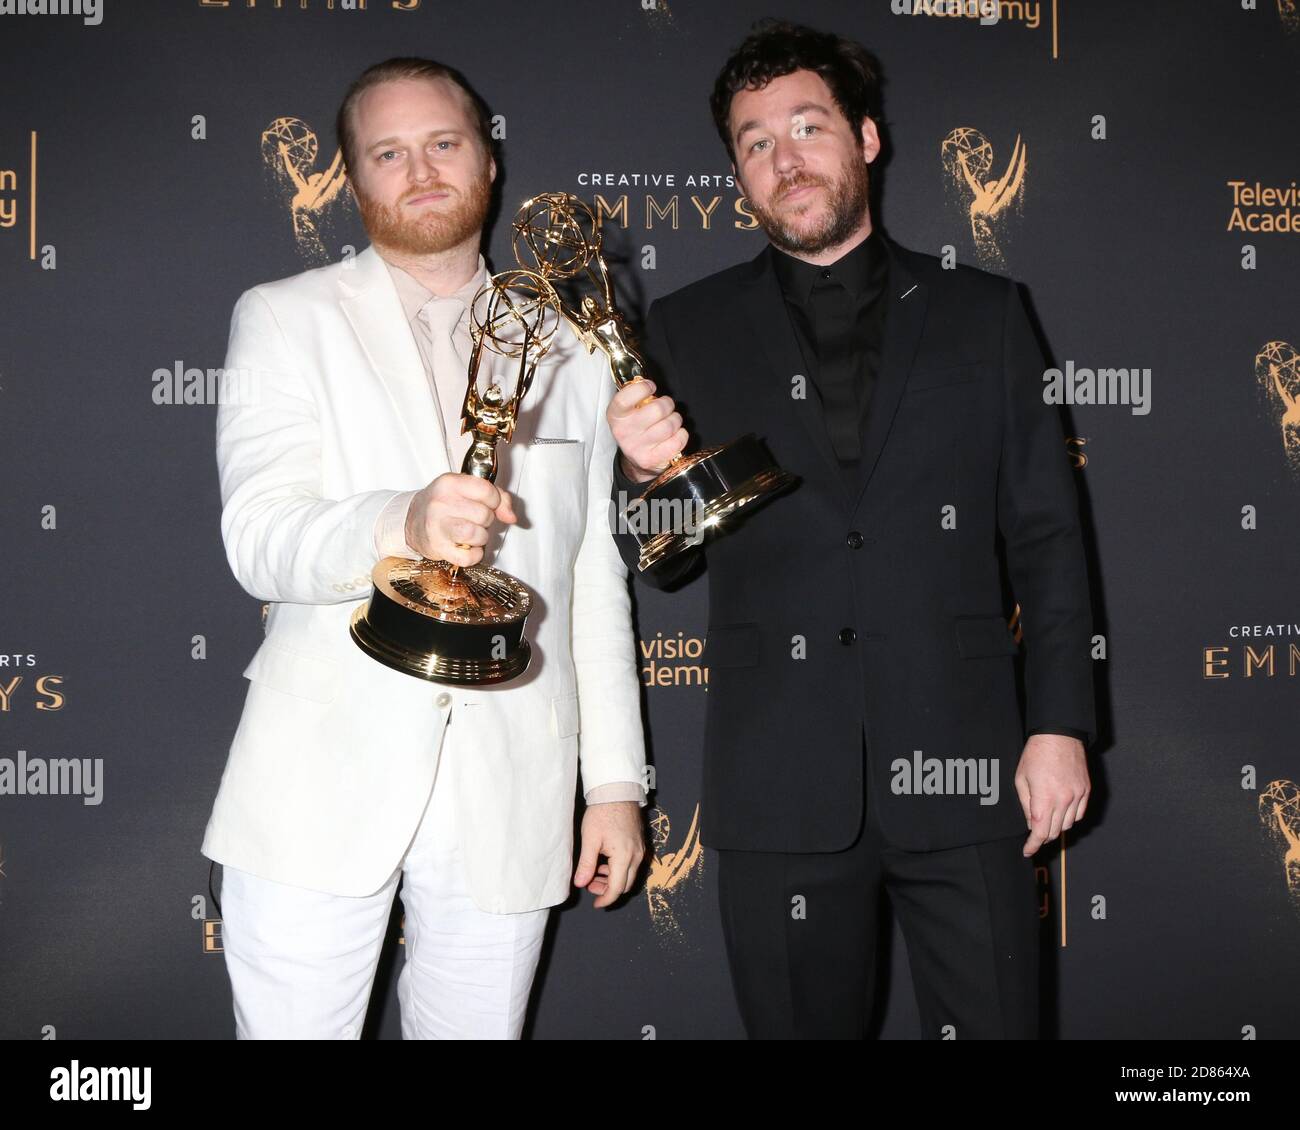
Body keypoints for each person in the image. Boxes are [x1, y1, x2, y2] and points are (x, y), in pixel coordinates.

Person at [606, 21, 1096, 1039]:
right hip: (777, 781)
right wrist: (647, 473)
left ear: (865, 139)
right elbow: (660, 563)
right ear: (737, 174)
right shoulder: (687, 328)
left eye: (807, 125)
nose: (785, 158)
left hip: (969, 769)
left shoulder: (985, 313)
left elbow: (1048, 536)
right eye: (753, 142)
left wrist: (1059, 723)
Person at [201, 57, 646, 1040]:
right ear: (354, 181)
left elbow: (587, 578)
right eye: (388, 152)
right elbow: (258, 539)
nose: (421, 169)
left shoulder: (568, 343)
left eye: (442, 143)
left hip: (512, 784)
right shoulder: (284, 318)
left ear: (488, 157)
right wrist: (399, 518)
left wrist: (614, 784)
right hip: (316, 783)